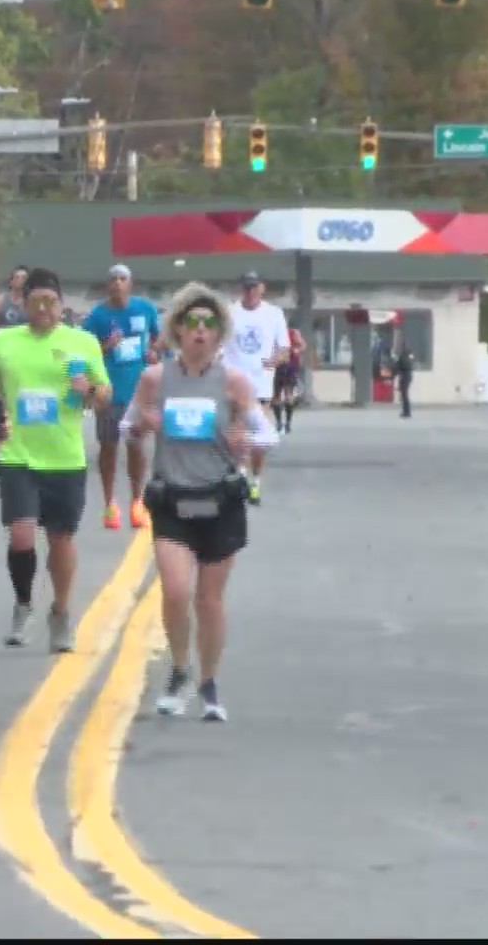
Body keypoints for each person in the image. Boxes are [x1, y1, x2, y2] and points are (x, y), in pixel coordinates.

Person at [124, 284, 276, 723]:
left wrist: (245, 437)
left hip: (220, 498)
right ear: (178, 329)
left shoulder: (233, 381)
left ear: (219, 334)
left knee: (209, 599)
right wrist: (142, 425)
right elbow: (126, 428)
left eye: (209, 324)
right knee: (175, 590)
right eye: (192, 322)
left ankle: (209, 681)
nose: (200, 331)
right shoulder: (155, 379)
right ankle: (179, 669)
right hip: (172, 497)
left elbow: (268, 435)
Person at [0, 267, 110, 654]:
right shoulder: (5, 340)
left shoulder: (83, 343)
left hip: (64, 456)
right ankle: (23, 605)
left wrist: (89, 392)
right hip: (18, 452)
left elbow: (104, 396)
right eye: (36, 301)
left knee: (61, 539)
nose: (43, 308)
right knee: (21, 535)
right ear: (23, 302)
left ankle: (61, 612)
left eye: (50, 301)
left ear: (61, 304)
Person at [79, 264, 161, 531]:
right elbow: (84, 353)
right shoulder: (98, 316)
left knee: (136, 447)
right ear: (107, 286)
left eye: (122, 278)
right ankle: (109, 503)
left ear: (130, 283)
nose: (117, 283)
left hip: (138, 391)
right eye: (112, 279)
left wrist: (154, 352)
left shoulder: (145, 309)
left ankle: (137, 502)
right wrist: (106, 346)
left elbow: (161, 338)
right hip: (109, 392)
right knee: (109, 447)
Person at [222, 271, 289, 505]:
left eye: (254, 287)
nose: (250, 291)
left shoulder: (274, 314)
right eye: (246, 287)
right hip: (235, 383)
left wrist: (275, 360)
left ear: (262, 288)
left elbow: (284, 348)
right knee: (238, 431)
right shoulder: (230, 312)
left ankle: (255, 481)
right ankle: (240, 476)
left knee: (259, 436)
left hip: (261, 384)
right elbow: (218, 344)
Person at [273, 327, 308, 433]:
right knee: (279, 395)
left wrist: (296, 350)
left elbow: (302, 345)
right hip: (278, 367)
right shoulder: (274, 332)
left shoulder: (292, 332)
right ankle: (281, 422)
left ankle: (285, 423)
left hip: (288, 367)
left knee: (285, 395)